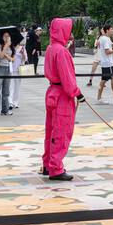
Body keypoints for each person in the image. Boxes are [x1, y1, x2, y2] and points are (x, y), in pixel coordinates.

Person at [41, 17, 83, 181]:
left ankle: (47, 164)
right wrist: (77, 93)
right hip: (62, 96)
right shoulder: (62, 51)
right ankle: (56, 168)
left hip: (52, 91)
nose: (70, 33)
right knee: (62, 131)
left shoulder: (51, 48)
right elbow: (66, 77)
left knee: (50, 130)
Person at [94, 23, 113, 105]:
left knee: (104, 81)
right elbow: (107, 52)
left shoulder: (103, 38)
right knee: (112, 80)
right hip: (108, 64)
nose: (112, 30)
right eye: (111, 29)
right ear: (107, 30)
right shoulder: (105, 39)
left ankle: (99, 98)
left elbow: (108, 48)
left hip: (105, 63)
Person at [0, 30, 14, 116]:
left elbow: (12, 59)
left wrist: (7, 56)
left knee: (6, 90)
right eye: (5, 36)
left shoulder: (11, 46)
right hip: (0, 68)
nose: (6, 37)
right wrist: (6, 46)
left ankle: (6, 109)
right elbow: (0, 56)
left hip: (8, 68)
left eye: (8, 36)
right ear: (2, 37)